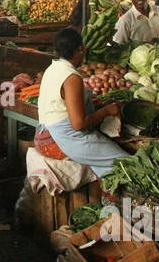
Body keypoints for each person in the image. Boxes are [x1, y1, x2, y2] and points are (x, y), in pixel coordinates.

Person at [33, 27, 129, 176]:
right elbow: (78, 124)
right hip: (59, 141)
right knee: (126, 164)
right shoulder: (71, 77)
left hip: (44, 135)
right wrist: (107, 111)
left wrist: (100, 107)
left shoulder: (52, 68)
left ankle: (109, 199)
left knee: (106, 166)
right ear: (81, 50)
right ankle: (125, 201)